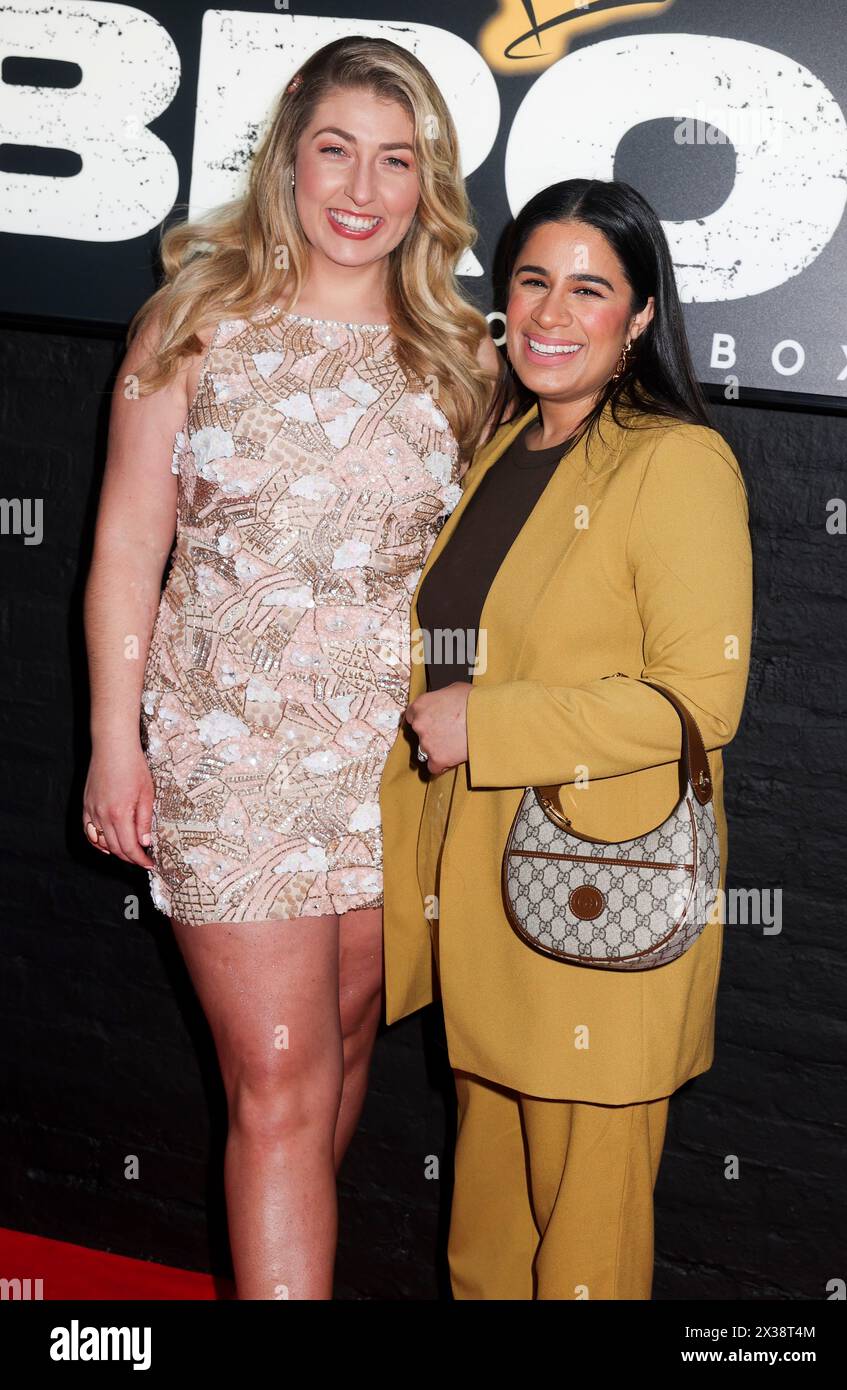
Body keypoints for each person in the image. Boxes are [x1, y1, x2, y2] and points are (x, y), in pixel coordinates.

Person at [82, 35, 500, 1299]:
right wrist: (117, 738)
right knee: (276, 1078)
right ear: (287, 161)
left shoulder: (462, 355)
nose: (363, 188)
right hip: (229, 748)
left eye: (396, 159)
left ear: (427, 183)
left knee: (339, 1044)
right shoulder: (195, 324)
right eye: (336, 151)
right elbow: (123, 544)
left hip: (389, 766)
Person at [380, 178, 753, 1299]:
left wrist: (483, 725)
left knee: (581, 1254)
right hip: (484, 900)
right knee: (488, 1240)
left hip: (594, 904)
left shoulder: (671, 462)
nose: (549, 311)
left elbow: (698, 701)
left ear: (638, 317)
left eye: (588, 288)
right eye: (532, 280)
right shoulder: (504, 448)